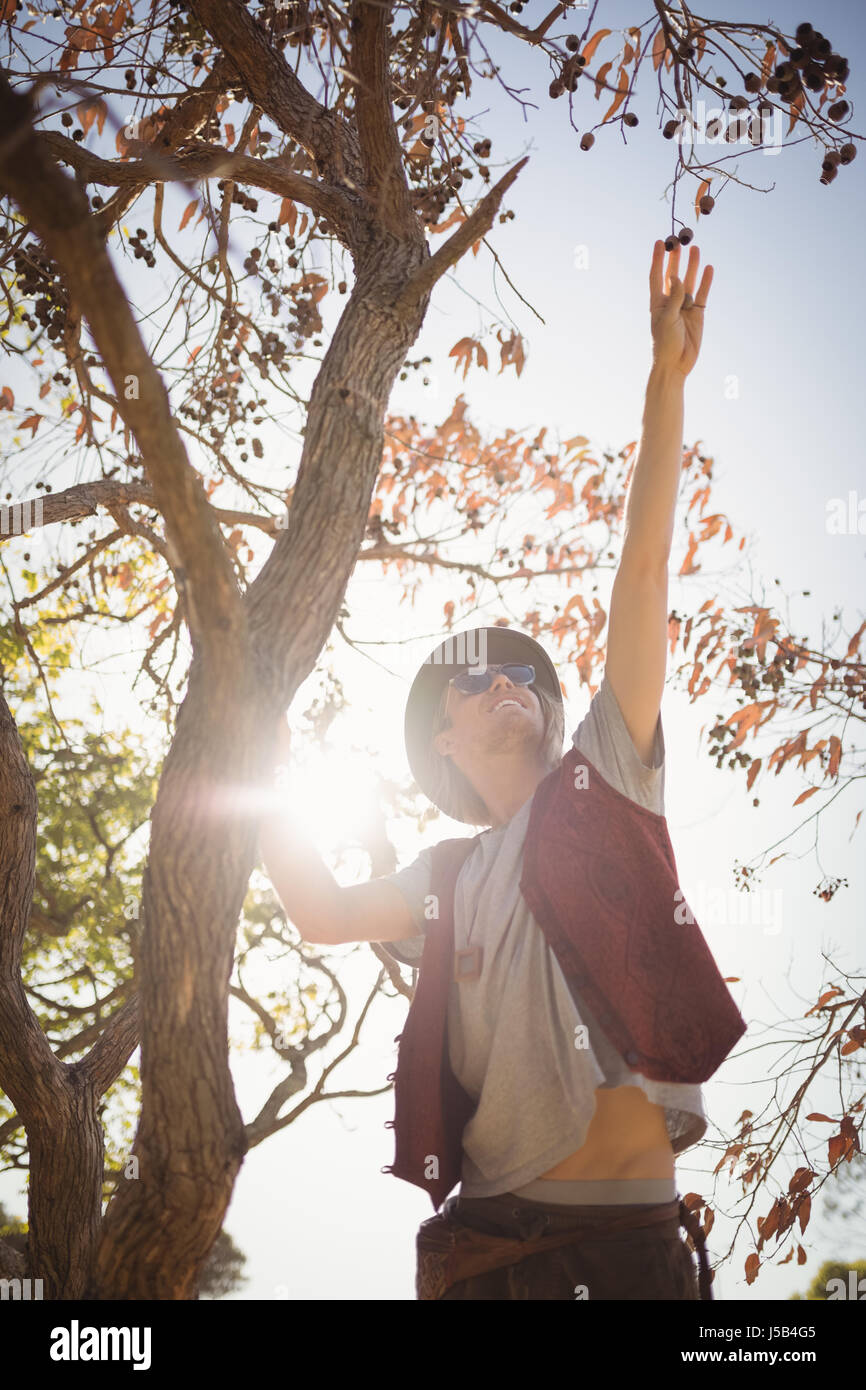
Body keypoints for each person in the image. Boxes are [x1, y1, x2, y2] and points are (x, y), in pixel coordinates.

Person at [259, 240, 726, 1299]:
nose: (506, 678)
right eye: (476, 679)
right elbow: (322, 910)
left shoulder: (601, 785)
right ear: (441, 741)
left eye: (523, 670)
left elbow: (642, 572)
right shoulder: (446, 877)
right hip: (495, 1251)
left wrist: (664, 383)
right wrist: (256, 763)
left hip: (637, 1254)